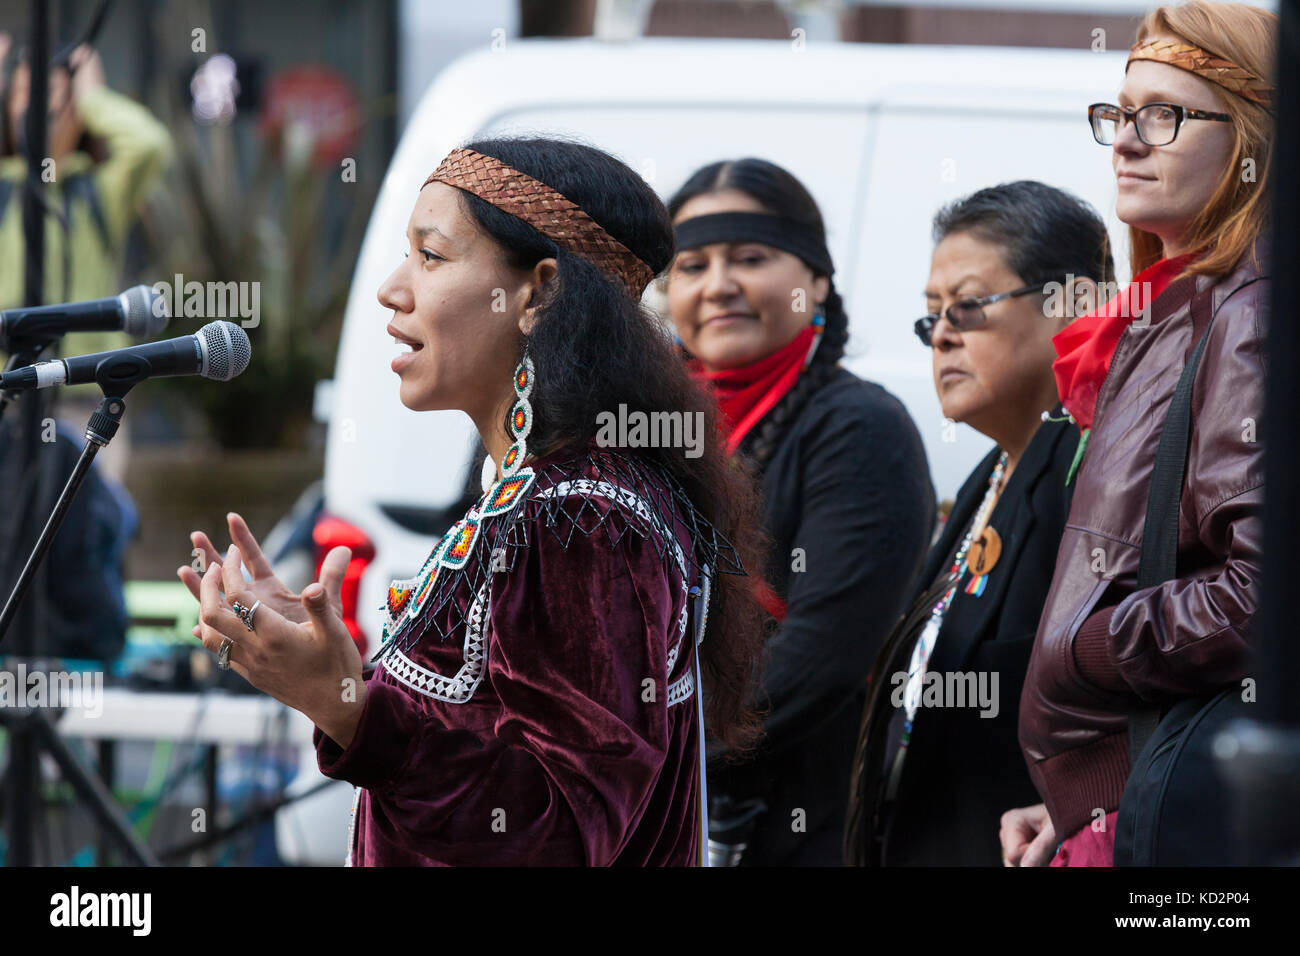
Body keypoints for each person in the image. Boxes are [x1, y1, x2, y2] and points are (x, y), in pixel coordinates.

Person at [178, 136, 770, 866]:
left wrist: (343, 706)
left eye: (431, 256)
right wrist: (313, 657)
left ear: (540, 292)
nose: (393, 288)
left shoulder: (584, 520)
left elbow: (555, 834)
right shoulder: (549, 496)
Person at [1003, 0, 1274, 867]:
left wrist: (1091, 643)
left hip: (1165, 820)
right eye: (1121, 115)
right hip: (1125, 802)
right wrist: (1078, 792)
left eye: (1165, 115)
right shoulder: (1178, 305)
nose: (1125, 140)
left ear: (1253, 146)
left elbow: (1262, 593)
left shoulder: (1247, 310)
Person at [664, 158, 935, 865]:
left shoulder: (858, 427)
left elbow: (820, 659)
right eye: (691, 265)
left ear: (815, 280)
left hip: (794, 825)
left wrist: (650, 747)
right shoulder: (642, 426)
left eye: (750, 257)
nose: (719, 284)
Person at [845, 181, 1114, 866]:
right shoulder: (992, 473)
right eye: (931, 315)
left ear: (1073, 304)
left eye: (968, 307)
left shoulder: (1093, 473)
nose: (941, 333)